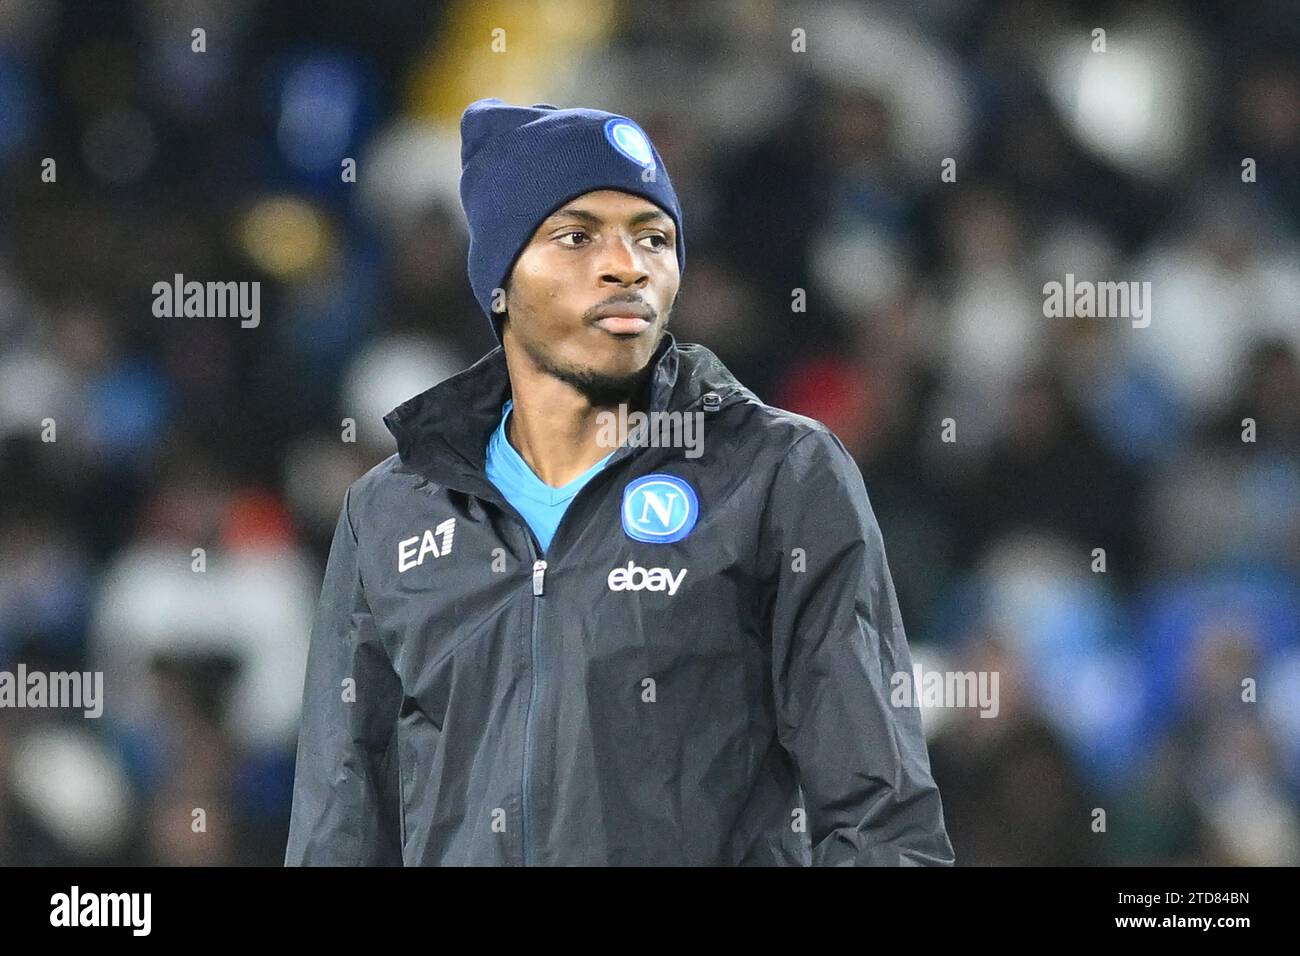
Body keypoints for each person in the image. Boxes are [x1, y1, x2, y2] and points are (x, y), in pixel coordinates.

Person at [284, 98, 955, 866]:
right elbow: (340, 824)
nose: (626, 265)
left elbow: (881, 816)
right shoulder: (390, 510)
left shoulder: (779, 474)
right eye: (576, 237)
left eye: (654, 237)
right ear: (500, 279)